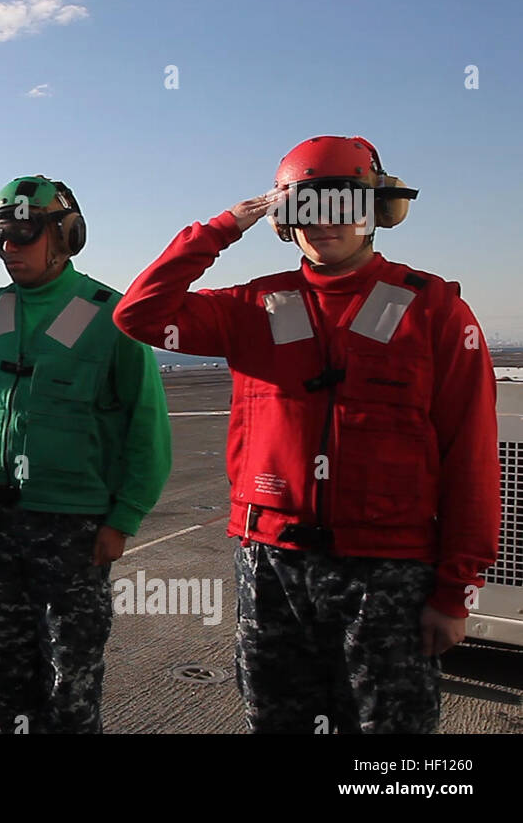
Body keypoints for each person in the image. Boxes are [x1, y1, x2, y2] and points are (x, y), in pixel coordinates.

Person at [112, 137, 500, 733]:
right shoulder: (254, 306)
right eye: (303, 207)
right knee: (275, 719)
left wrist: (455, 591)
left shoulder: (434, 312)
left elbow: (471, 460)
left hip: (389, 571)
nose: (323, 223)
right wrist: (220, 228)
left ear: (376, 211)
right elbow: (139, 314)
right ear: (282, 219)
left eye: (343, 203)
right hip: (272, 562)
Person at [0, 175, 171, 734]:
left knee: (74, 672)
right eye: (0, 237)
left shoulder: (108, 316)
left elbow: (147, 428)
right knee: (4, 659)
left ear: (66, 234)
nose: (10, 249)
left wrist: (124, 518)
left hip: (73, 522)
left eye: (23, 233)